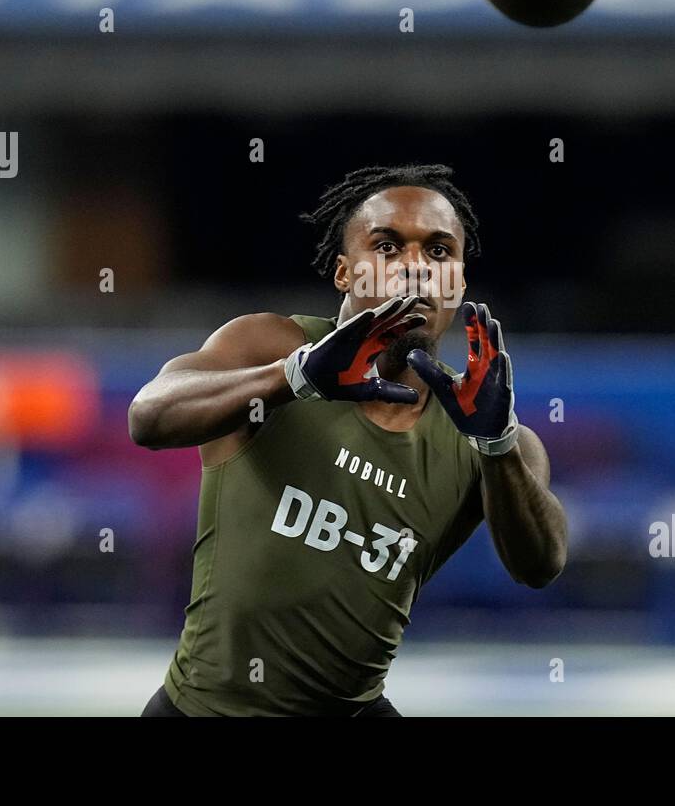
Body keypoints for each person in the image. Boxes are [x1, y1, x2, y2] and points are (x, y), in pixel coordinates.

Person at [129, 163, 567, 716]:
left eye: (438, 253)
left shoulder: (493, 438)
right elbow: (147, 417)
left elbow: (541, 566)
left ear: (459, 280)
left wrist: (498, 443)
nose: (414, 269)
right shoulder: (268, 345)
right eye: (387, 246)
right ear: (344, 272)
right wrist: (296, 377)